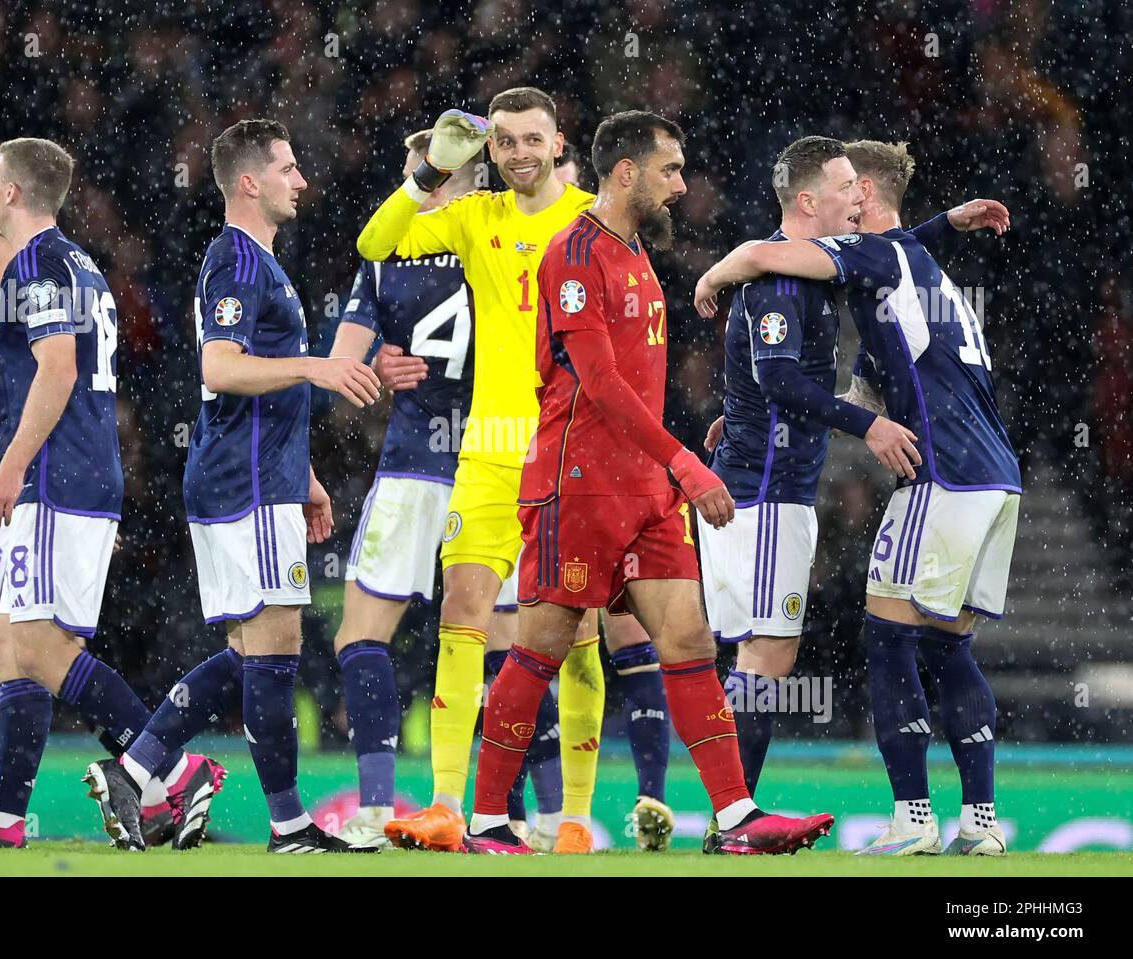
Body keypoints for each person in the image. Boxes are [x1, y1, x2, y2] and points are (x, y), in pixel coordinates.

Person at [463, 110, 834, 856]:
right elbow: (597, 382)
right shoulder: (574, 254)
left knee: (690, 638)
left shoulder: (634, 249)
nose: (682, 183)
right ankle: (484, 820)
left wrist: (680, 454)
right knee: (540, 644)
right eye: (670, 168)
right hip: (580, 482)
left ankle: (734, 818)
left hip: (645, 488)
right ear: (625, 171)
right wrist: (685, 463)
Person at [694, 139, 1015, 856]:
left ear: (865, 196)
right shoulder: (907, 276)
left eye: (853, 187)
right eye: (838, 185)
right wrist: (756, 408)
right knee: (937, 646)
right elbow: (782, 373)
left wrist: (717, 269)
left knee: (882, 641)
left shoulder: (867, 263)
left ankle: (907, 821)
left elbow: (764, 255)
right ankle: (980, 824)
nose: (849, 198)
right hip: (993, 475)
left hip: (945, 474)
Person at [357, 88, 653, 854]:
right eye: (506, 143)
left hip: (574, 451)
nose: (520, 153)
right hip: (490, 445)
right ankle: (446, 806)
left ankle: (575, 818)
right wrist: (429, 174)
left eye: (533, 139)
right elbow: (375, 244)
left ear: (559, 143)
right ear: (491, 153)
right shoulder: (473, 217)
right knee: (463, 607)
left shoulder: (597, 215)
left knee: (576, 628)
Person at [84, 119, 382, 854]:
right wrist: (315, 368)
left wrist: (306, 475)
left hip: (259, 475)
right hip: (241, 480)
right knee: (272, 645)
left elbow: (257, 392)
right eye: (286, 167)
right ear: (249, 182)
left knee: (259, 651)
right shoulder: (238, 261)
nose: (300, 180)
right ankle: (284, 825)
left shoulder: (260, 264)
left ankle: (141, 769)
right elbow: (220, 369)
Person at [0, 139, 214, 849]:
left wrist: (11, 467)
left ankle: (175, 770)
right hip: (79, 472)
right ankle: (6, 822)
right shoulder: (83, 265)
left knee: (34, 648)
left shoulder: (36, 262)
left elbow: (57, 370)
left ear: (9, 193)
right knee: (16, 642)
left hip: (55, 473)